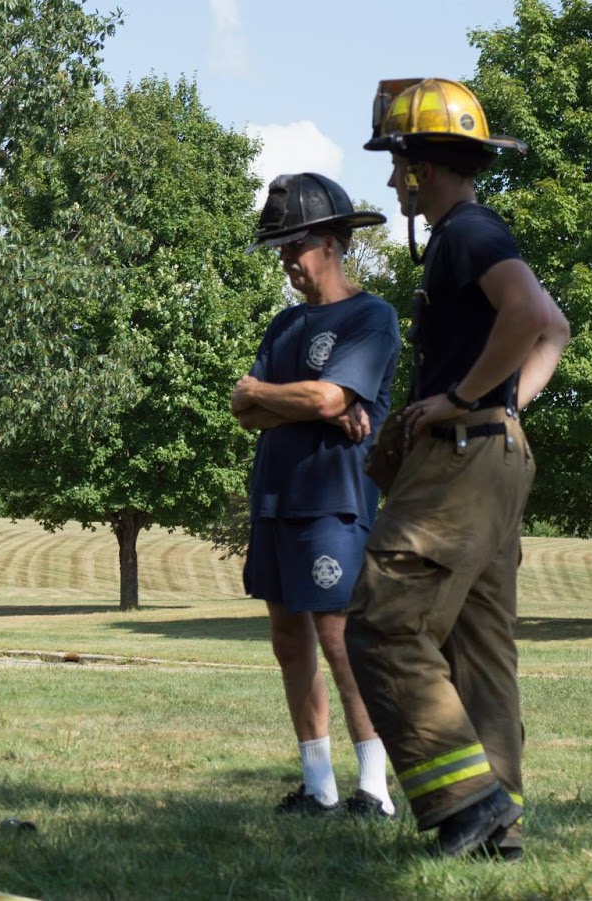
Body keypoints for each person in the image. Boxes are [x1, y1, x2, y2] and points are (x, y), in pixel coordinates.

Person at [347, 77, 570, 860]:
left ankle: (464, 800)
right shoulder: (476, 232)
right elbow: (556, 329)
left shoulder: (467, 234)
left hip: (463, 456)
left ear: (421, 168)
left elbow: (534, 320)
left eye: (396, 163)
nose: (391, 180)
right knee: (479, 644)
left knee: (383, 619)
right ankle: (496, 821)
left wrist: (465, 399)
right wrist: (509, 405)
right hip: (496, 450)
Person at [232, 172, 401, 819]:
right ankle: (318, 785)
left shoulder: (371, 317)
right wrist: (305, 403)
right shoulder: (284, 325)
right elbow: (241, 407)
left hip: (335, 503)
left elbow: (330, 396)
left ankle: (374, 787)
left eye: (293, 244)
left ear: (330, 242)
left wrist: (294, 399)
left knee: (339, 637)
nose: (284, 259)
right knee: (287, 637)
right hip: (275, 498)